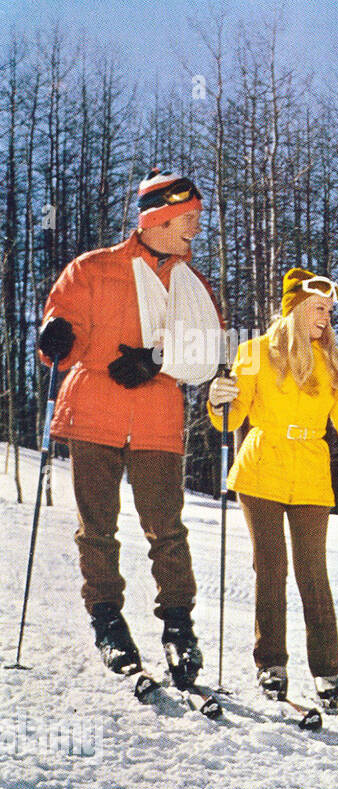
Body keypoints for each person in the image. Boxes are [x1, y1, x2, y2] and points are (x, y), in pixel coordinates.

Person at [36, 168, 223, 687]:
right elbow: (63, 333)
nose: (194, 229)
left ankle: (179, 628)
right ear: (157, 218)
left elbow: (208, 351)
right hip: (94, 412)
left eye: (196, 219)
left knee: (167, 529)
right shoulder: (93, 269)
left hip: (157, 420)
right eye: (187, 219)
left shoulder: (192, 283)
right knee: (97, 527)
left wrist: (157, 361)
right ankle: (107, 621)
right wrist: (55, 338)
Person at [206, 268, 338, 708]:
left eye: (329, 309)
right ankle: (271, 665)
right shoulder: (255, 353)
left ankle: (327, 671)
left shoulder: (332, 364)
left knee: (313, 574)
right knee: (270, 568)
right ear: (296, 309)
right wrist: (218, 399)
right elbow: (231, 415)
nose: (325, 316)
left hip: (310, 473)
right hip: (261, 466)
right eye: (318, 308)